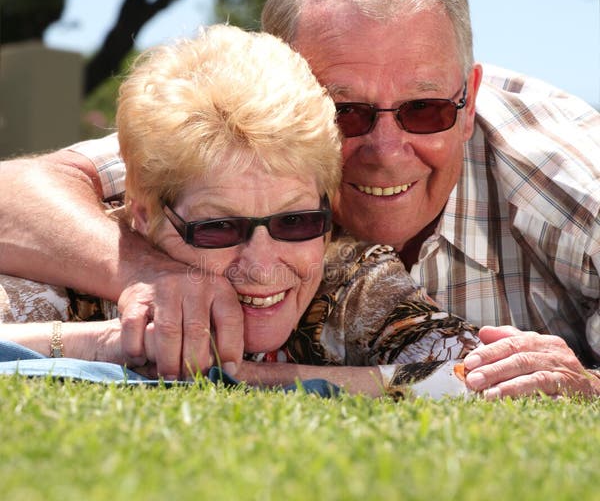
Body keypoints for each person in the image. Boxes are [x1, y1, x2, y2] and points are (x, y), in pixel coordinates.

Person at [1, 0, 599, 397]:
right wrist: (150, 280)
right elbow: (17, 195)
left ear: (469, 98)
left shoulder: (571, 184)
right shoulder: (239, 143)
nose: (386, 150)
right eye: (345, 111)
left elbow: (459, 375)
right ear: (276, 91)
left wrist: (584, 384)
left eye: (425, 109)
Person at [0, 24, 477, 398]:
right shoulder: (71, 269)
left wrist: (237, 375)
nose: (264, 265)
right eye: (219, 228)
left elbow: (467, 373)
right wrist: (107, 345)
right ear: (144, 216)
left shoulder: (350, 277)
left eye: (297, 221)